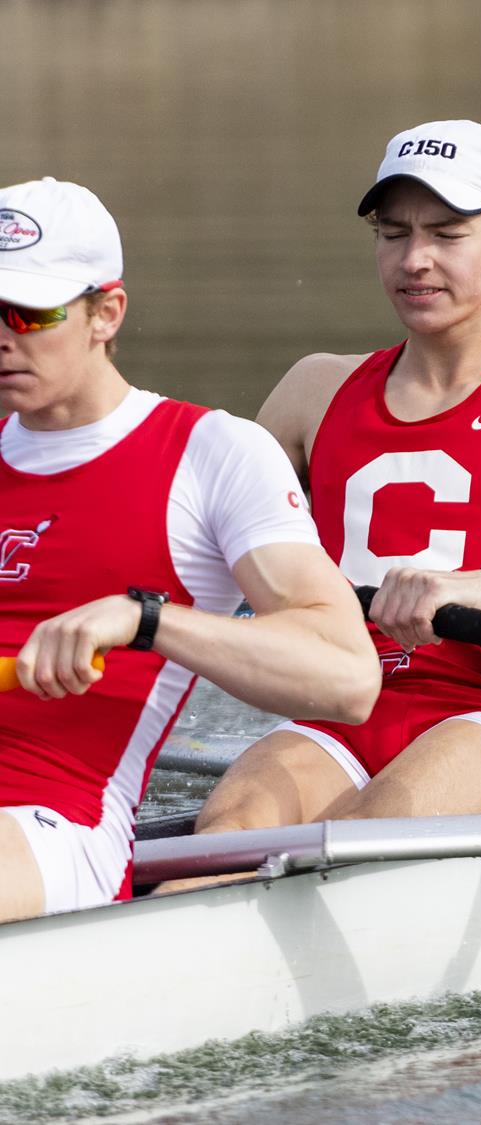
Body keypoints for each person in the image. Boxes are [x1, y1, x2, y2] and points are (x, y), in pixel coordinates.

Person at [183, 121, 481, 841]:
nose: (414, 260)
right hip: (344, 708)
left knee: (373, 831)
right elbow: (189, 561)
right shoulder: (314, 389)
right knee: (227, 830)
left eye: (446, 234)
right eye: (394, 233)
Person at [0, 177, 377, 920]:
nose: (4, 335)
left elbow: (348, 678)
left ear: (107, 312)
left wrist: (146, 619)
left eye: (31, 312)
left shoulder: (211, 454)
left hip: (55, 825)